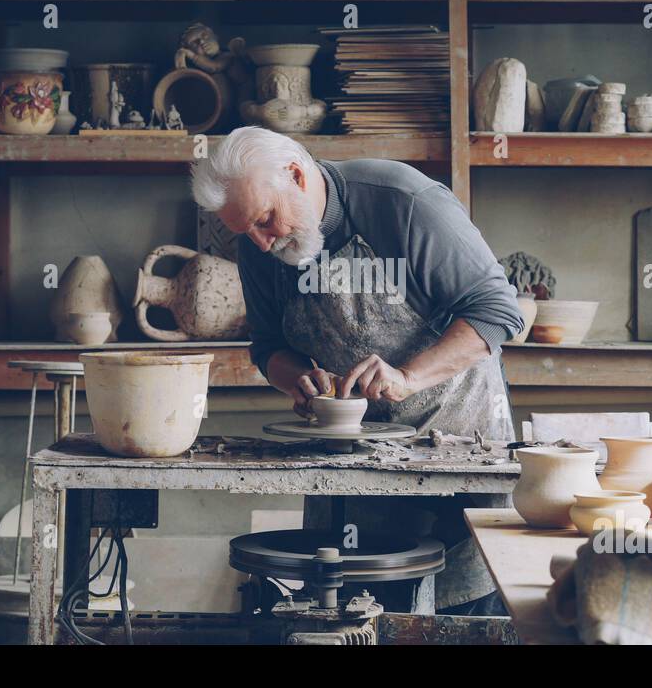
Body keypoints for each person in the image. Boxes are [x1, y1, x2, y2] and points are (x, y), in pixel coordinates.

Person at [190, 126, 525, 615]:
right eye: (248, 232)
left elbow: (498, 310)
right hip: (350, 470)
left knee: (460, 616)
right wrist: (295, 377)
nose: (261, 243)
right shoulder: (261, 249)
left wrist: (408, 377)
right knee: (350, 613)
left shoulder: (403, 202)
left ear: (297, 176)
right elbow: (267, 346)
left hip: (455, 458)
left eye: (266, 220)